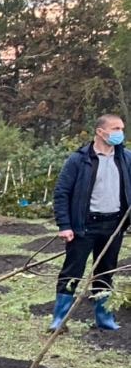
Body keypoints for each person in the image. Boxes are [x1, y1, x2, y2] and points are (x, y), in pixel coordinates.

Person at [50, 113, 131, 331]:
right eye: (115, 129)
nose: (120, 133)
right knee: (72, 271)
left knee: (106, 271)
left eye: (121, 129)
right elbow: (61, 193)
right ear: (100, 131)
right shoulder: (79, 159)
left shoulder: (125, 158)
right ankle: (59, 319)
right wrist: (65, 226)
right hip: (84, 225)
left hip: (114, 225)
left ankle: (104, 319)